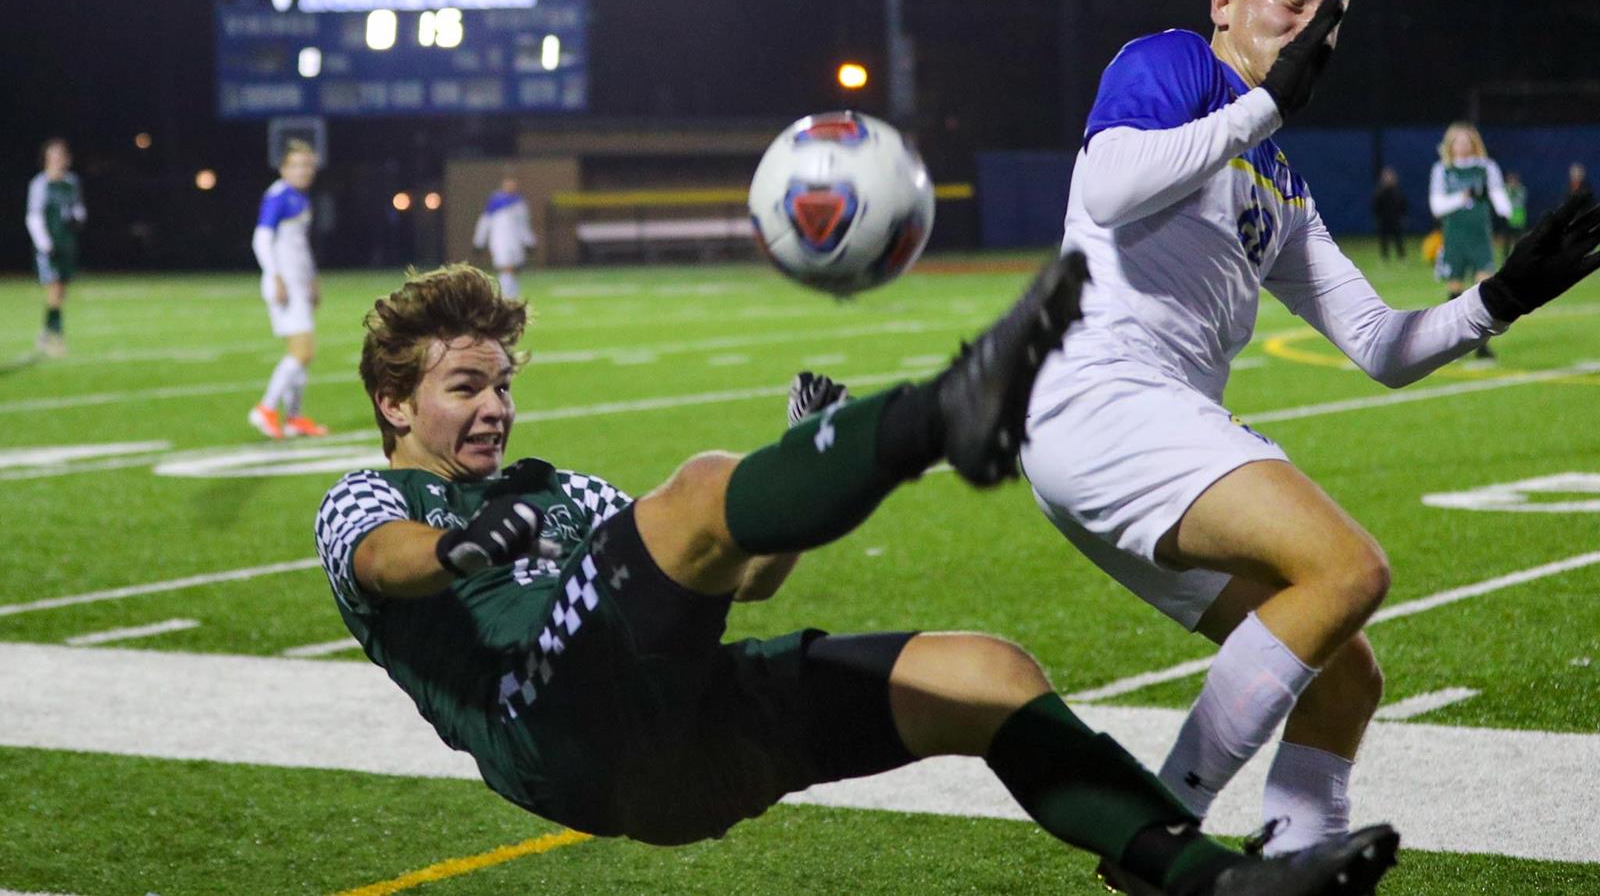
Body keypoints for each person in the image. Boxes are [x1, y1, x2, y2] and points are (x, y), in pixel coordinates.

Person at [311, 261, 1399, 896]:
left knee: (982, 674)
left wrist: (801, 453)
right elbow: (384, 564)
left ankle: (1206, 876)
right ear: (397, 404)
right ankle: (942, 409)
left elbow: (745, 581)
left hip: (678, 746)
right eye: (465, 386)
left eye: (500, 383)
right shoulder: (371, 501)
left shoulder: (556, 486)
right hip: (553, 724)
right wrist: (466, 544)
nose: (494, 407)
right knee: (697, 485)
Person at [1008, 0, 1600, 882]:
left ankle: (1299, 857)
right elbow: (1110, 188)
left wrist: (1500, 299)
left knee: (1347, 673)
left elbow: (1378, 347)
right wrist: (1257, 112)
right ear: (1226, 4)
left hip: (1139, 425)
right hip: (1097, 395)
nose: (1310, 27)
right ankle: (1156, 834)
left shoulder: (1279, 177)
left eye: (1330, 15)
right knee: (1348, 569)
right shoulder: (1173, 65)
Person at [248, 140, 328, 439]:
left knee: (302, 353)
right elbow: (261, 239)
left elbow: (299, 246)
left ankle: (294, 418)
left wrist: (312, 278)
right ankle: (266, 408)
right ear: (283, 168)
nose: (304, 170)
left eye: (308, 164)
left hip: (298, 284)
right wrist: (275, 276)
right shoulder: (279, 196)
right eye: (296, 165)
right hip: (285, 286)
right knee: (303, 350)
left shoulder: (300, 198)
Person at [1428, 122, 1511, 359]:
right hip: (1455, 236)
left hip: (1480, 236)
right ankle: (1453, 344)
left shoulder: (1486, 167)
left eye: (1467, 141)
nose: (1462, 146)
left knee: (1482, 291)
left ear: (1474, 144)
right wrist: (1462, 197)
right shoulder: (1442, 170)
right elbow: (1437, 206)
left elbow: (1498, 194)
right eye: (1457, 142)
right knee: (1455, 290)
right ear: (1450, 146)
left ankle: (1481, 345)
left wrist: (1507, 211)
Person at [24, 138, 85, 358]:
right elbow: (33, 217)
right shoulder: (40, 184)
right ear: (47, 159)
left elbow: (78, 207)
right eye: (54, 157)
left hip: (67, 243)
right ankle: (57, 337)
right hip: (48, 247)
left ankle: (45, 332)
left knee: (60, 291)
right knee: (55, 288)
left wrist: (77, 217)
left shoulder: (71, 182)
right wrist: (44, 243)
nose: (59, 161)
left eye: (62, 157)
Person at [473, 175, 537, 299]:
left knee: (513, 269)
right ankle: (505, 295)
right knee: (505, 267)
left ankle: (512, 294)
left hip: (515, 242)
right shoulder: (495, 201)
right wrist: (479, 241)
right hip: (500, 240)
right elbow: (485, 222)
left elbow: (524, 225)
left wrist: (529, 241)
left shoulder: (520, 202)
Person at [1371, 166, 1406, 261]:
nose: (1389, 179)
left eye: (1391, 177)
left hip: (1395, 219)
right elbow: (1375, 205)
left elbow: (1403, 204)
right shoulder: (1380, 192)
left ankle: (1401, 257)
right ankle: (1384, 257)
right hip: (1383, 220)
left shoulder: (1397, 191)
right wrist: (1378, 217)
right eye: (1387, 177)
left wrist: (1401, 216)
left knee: (1398, 239)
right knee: (1383, 239)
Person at [1500, 170, 1528, 258]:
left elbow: (1519, 202)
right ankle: (1505, 258)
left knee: (1518, 241)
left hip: (1519, 220)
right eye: (1510, 180)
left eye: (1513, 180)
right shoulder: (1505, 190)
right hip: (1508, 219)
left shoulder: (1521, 190)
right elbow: (1502, 201)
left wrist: (1512, 192)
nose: (1512, 182)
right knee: (1506, 242)